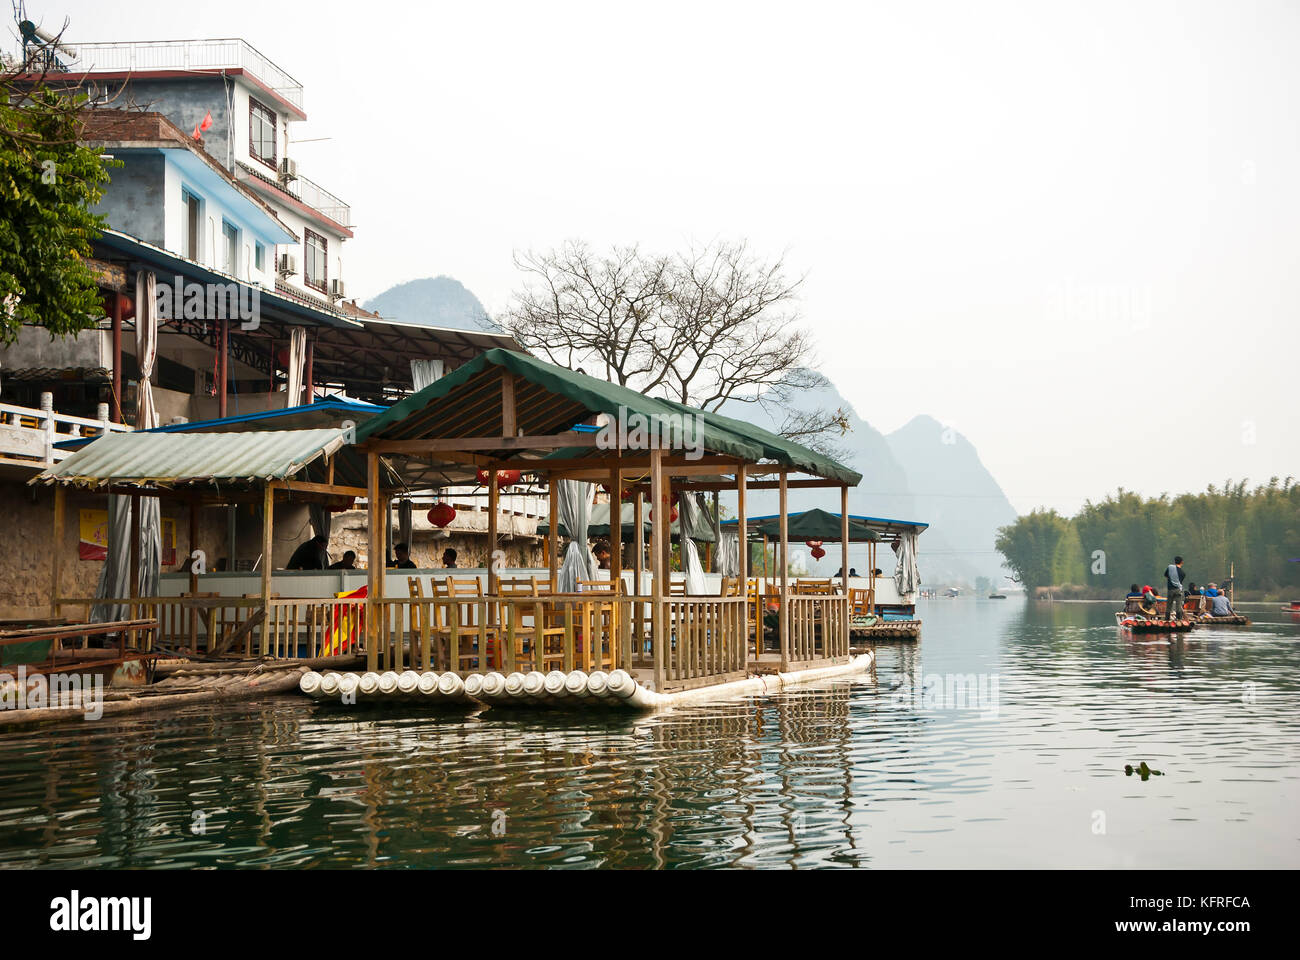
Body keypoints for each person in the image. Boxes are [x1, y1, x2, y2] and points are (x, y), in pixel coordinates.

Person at [1165, 555, 1188, 622]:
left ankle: (1167, 619)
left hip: (1170, 589)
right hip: (1178, 590)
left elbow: (1166, 576)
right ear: (1182, 562)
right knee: (1178, 604)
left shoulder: (1170, 568)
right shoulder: (1183, 573)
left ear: (1174, 562)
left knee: (1169, 604)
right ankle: (1179, 619)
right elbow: (1180, 582)